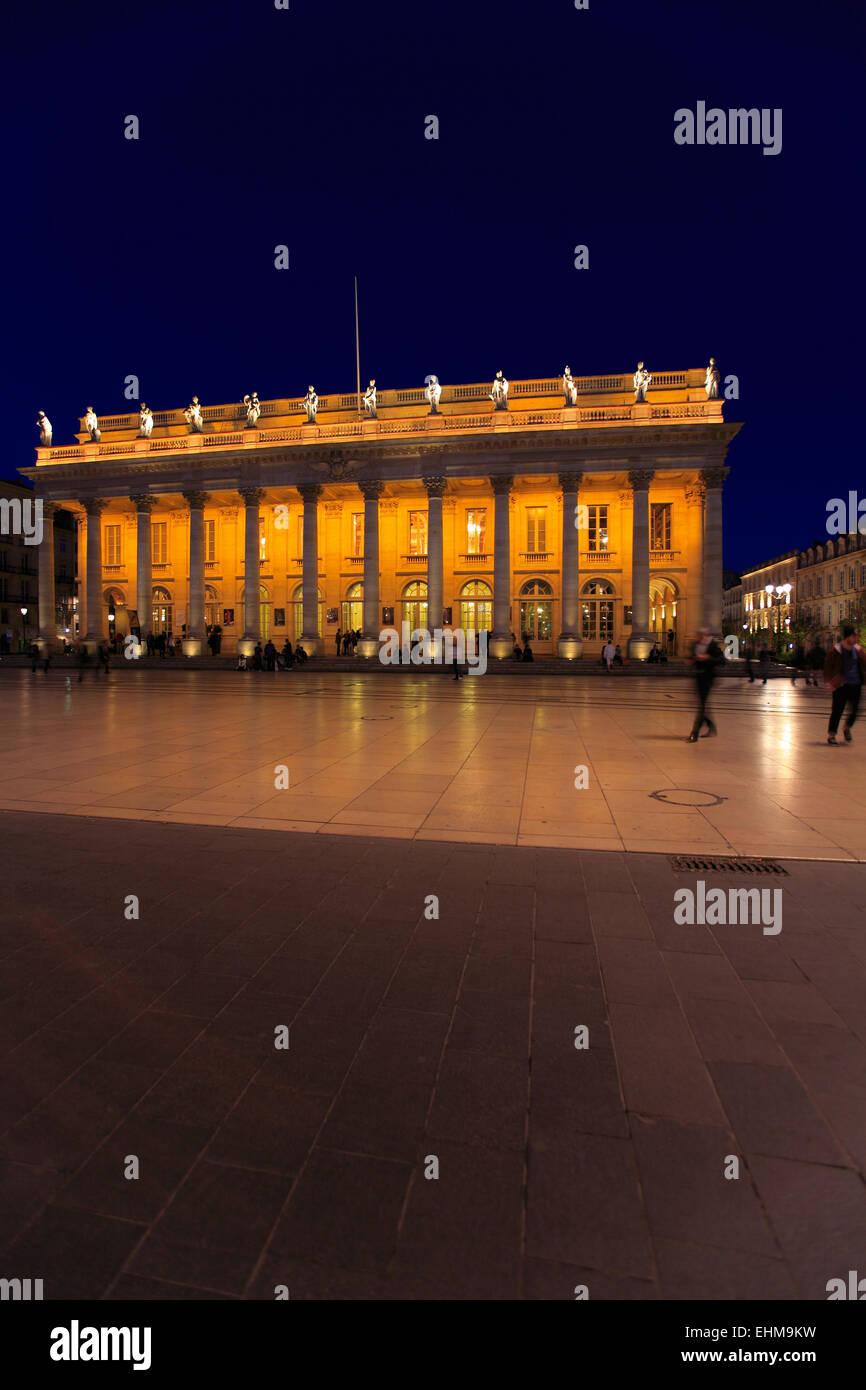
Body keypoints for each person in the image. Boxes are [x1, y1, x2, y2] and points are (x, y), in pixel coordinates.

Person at [824, 626, 866, 745]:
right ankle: (831, 735)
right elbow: (828, 666)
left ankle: (847, 727)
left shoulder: (858, 650)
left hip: (856, 684)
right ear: (848, 637)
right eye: (854, 636)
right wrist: (830, 682)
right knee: (837, 710)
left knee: (856, 710)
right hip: (841, 685)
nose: (856, 638)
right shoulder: (836, 650)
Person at [687, 627, 724, 741]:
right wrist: (691, 660)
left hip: (708, 678)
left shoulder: (712, 645)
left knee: (702, 706)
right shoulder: (695, 645)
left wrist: (707, 658)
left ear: (705, 635)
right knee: (702, 704)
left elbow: (721, 661)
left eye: (700, 635)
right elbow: (692, 657)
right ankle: (711, 725)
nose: (698, 637)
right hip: (698, 677)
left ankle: (695, 733)